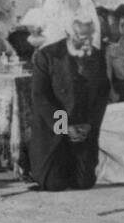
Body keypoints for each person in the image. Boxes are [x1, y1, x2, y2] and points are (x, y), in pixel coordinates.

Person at [28, 16, 111, 191]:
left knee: (84, 183)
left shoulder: (97, 56)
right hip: (54, 131)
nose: (88, 42)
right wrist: (64, 127)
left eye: (91, 36)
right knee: (54, 184)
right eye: (82, 37)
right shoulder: (47, 55)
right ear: (68, 34)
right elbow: (40, 96)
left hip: (83, 130)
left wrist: (89, 125)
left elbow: (102, 95)